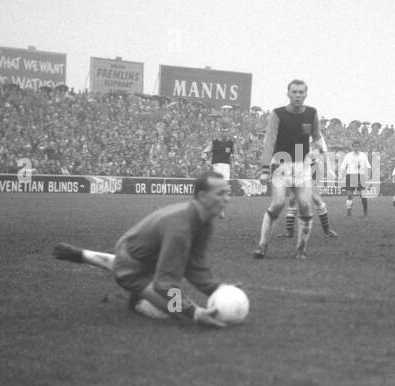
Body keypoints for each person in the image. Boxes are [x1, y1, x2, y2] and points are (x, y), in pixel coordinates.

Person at [53, 171, 229, 327]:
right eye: (220, 193)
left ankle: (83, 255)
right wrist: (195, 312)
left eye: (227, 193)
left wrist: (217, 289)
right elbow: (166, 283)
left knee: (157, 278)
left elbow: (195, 264)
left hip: (143, 256)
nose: (227, 198)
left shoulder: (204, 221)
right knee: (176, 313)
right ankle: (138, 301)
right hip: (131, 268)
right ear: (203, 196)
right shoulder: (180, 229)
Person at [254, 79, 328, 259]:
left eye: (301, 92)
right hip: (281, 164)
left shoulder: (311, 113)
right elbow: (269, 141)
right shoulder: (278, 114)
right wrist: (265, 168)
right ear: (288, 94)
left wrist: (321, 150)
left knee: (304, 204)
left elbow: (316, 136)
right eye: (294, 92)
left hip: (302, 167)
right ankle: (262, 245)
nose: (297, 95)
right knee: (278, 203)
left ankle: (301, 249)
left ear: (305, 94)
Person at [339, 142, 372, 216]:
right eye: (355, 146)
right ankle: (349, 209)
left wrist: (369, 176)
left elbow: (368, 166)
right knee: (350, 195)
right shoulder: (348, 155)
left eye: (357, 146)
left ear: (359, 147)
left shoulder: (363, 155)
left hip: (360, 176)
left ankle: (365, 211)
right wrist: (340, 176)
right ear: (352, 147)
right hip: (350, 176)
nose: (356, 148)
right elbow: (343, 166)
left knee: (363, 194)